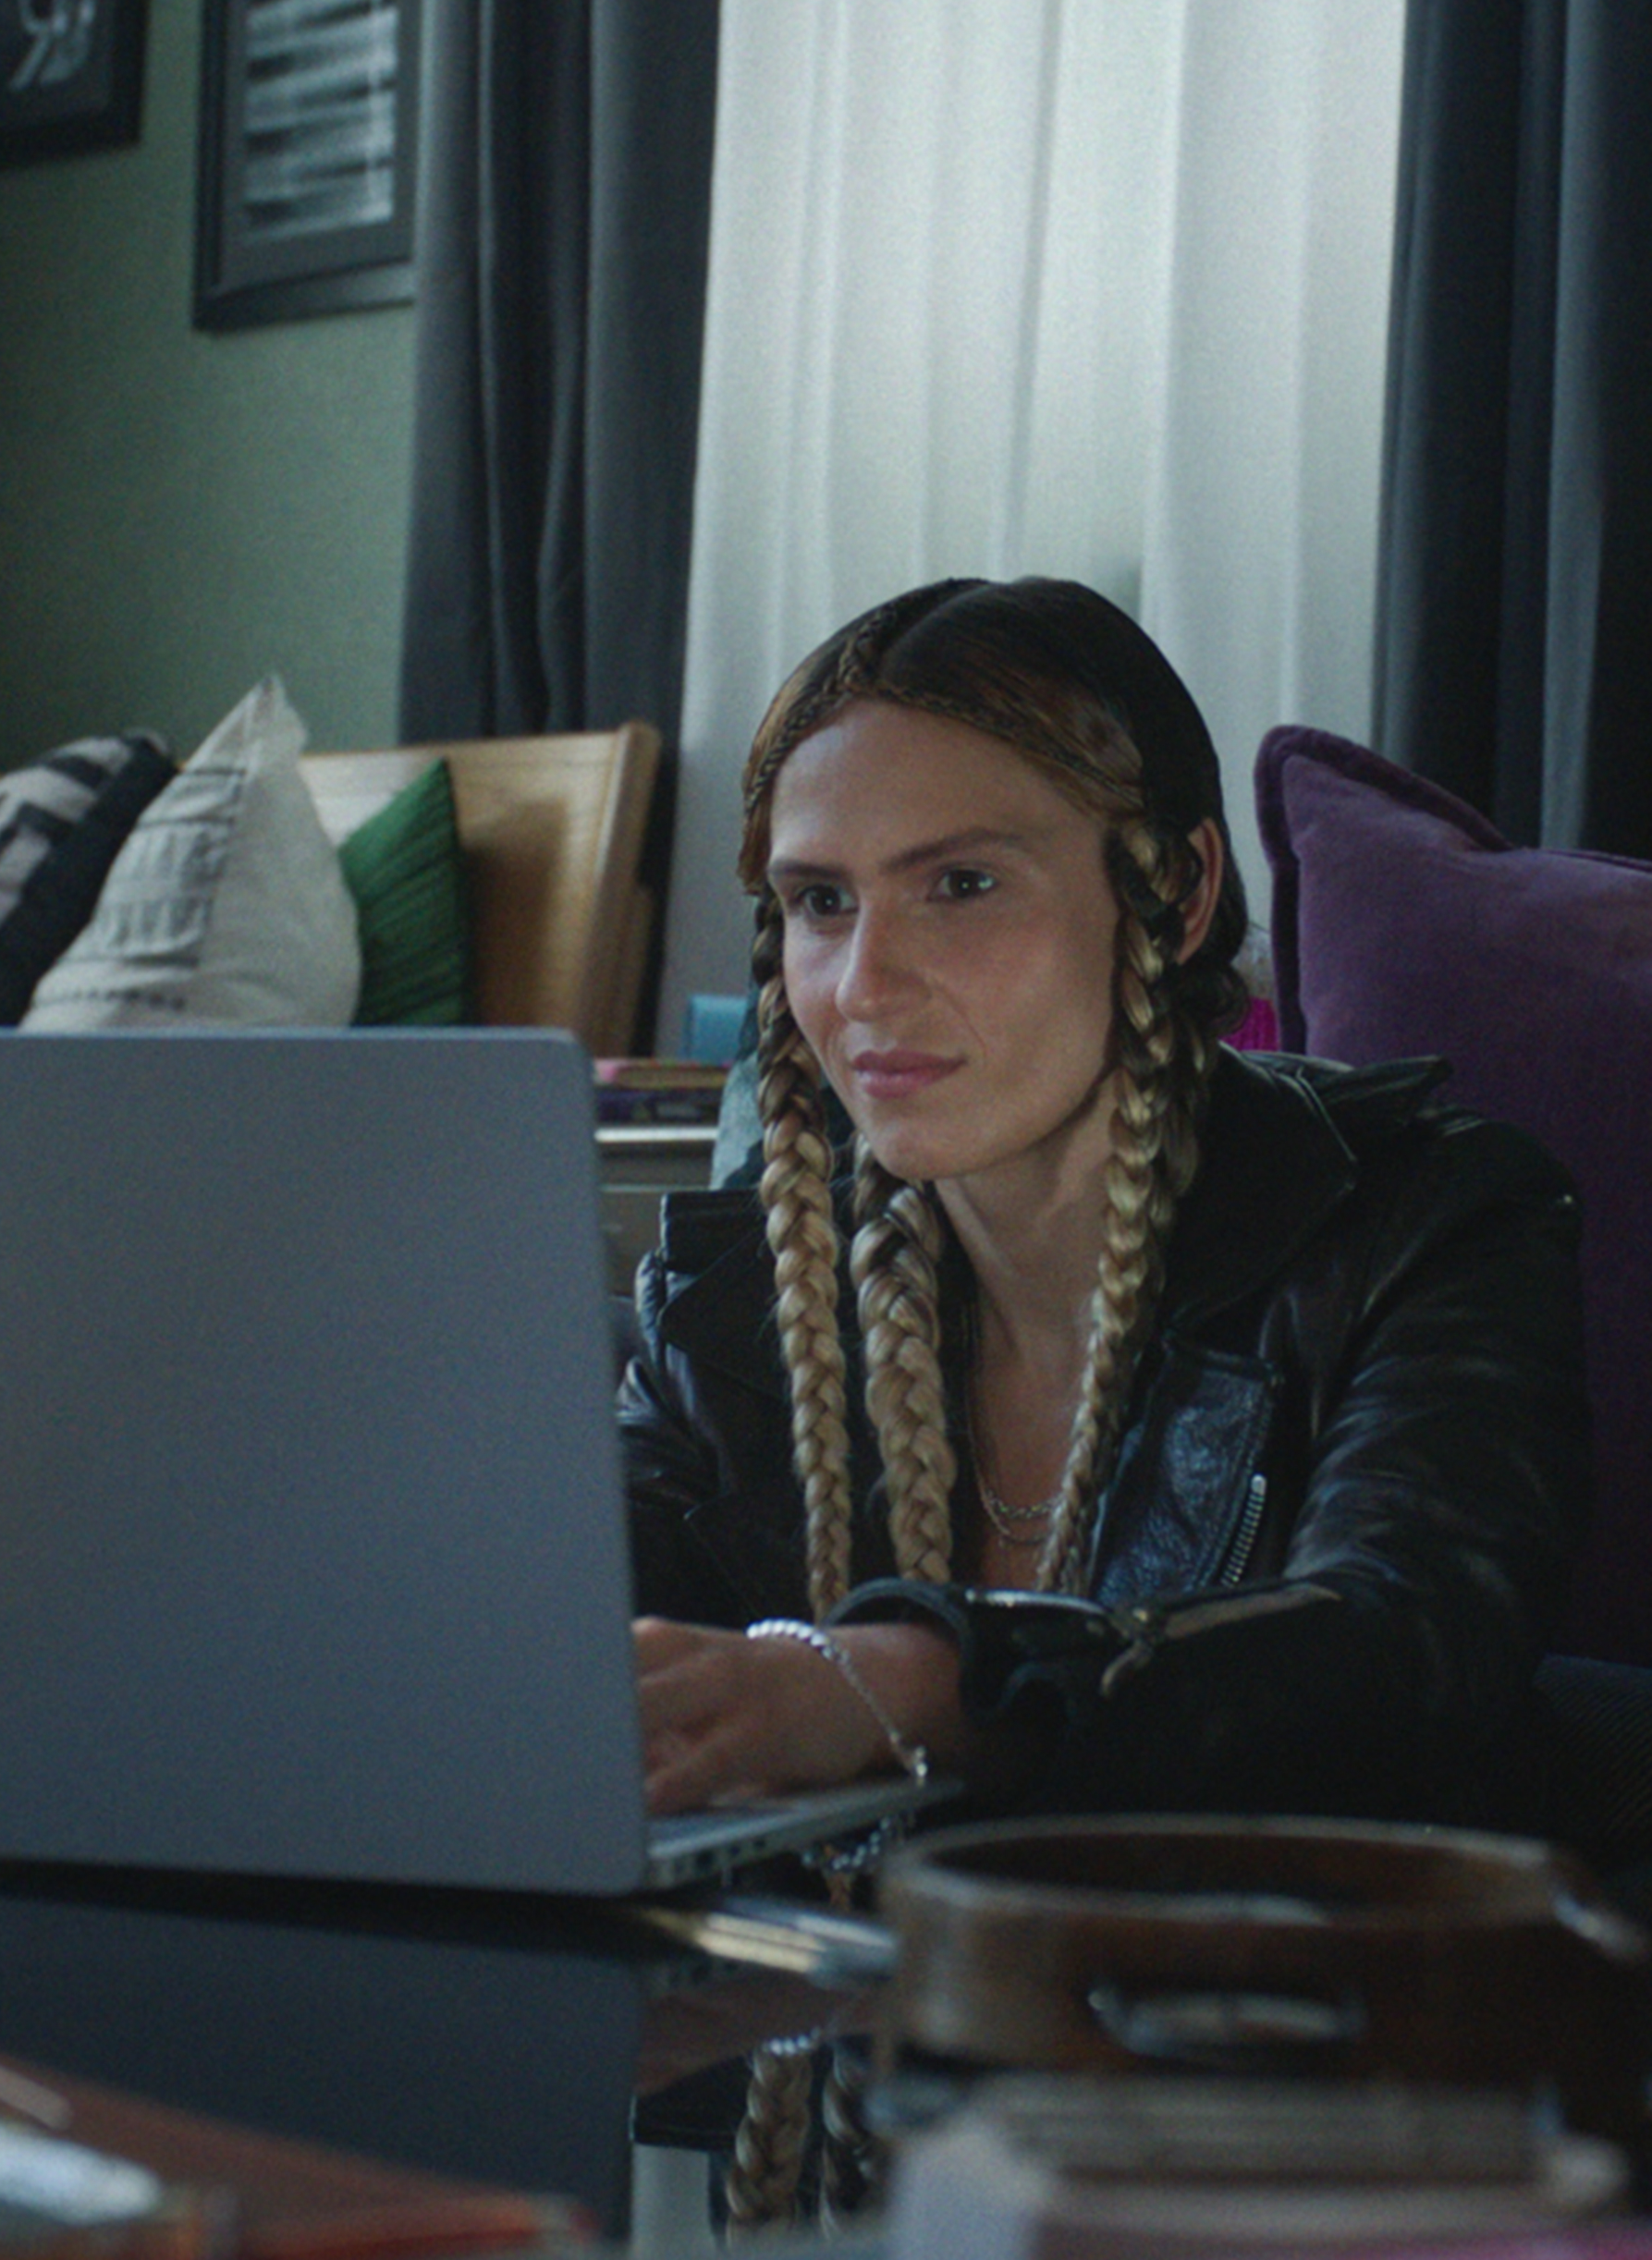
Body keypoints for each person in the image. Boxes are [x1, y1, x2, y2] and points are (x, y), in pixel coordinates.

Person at [624, 576, 1592, 1833]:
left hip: (1267, 1993)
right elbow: (564, 1654)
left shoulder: (1428, 1223)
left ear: (1179, 894)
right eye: (821, 901)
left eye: (961, 884)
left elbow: (1408, 1648)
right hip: (808, 2000)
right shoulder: (726, 1303)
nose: (864, 985)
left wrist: (912, 1685)